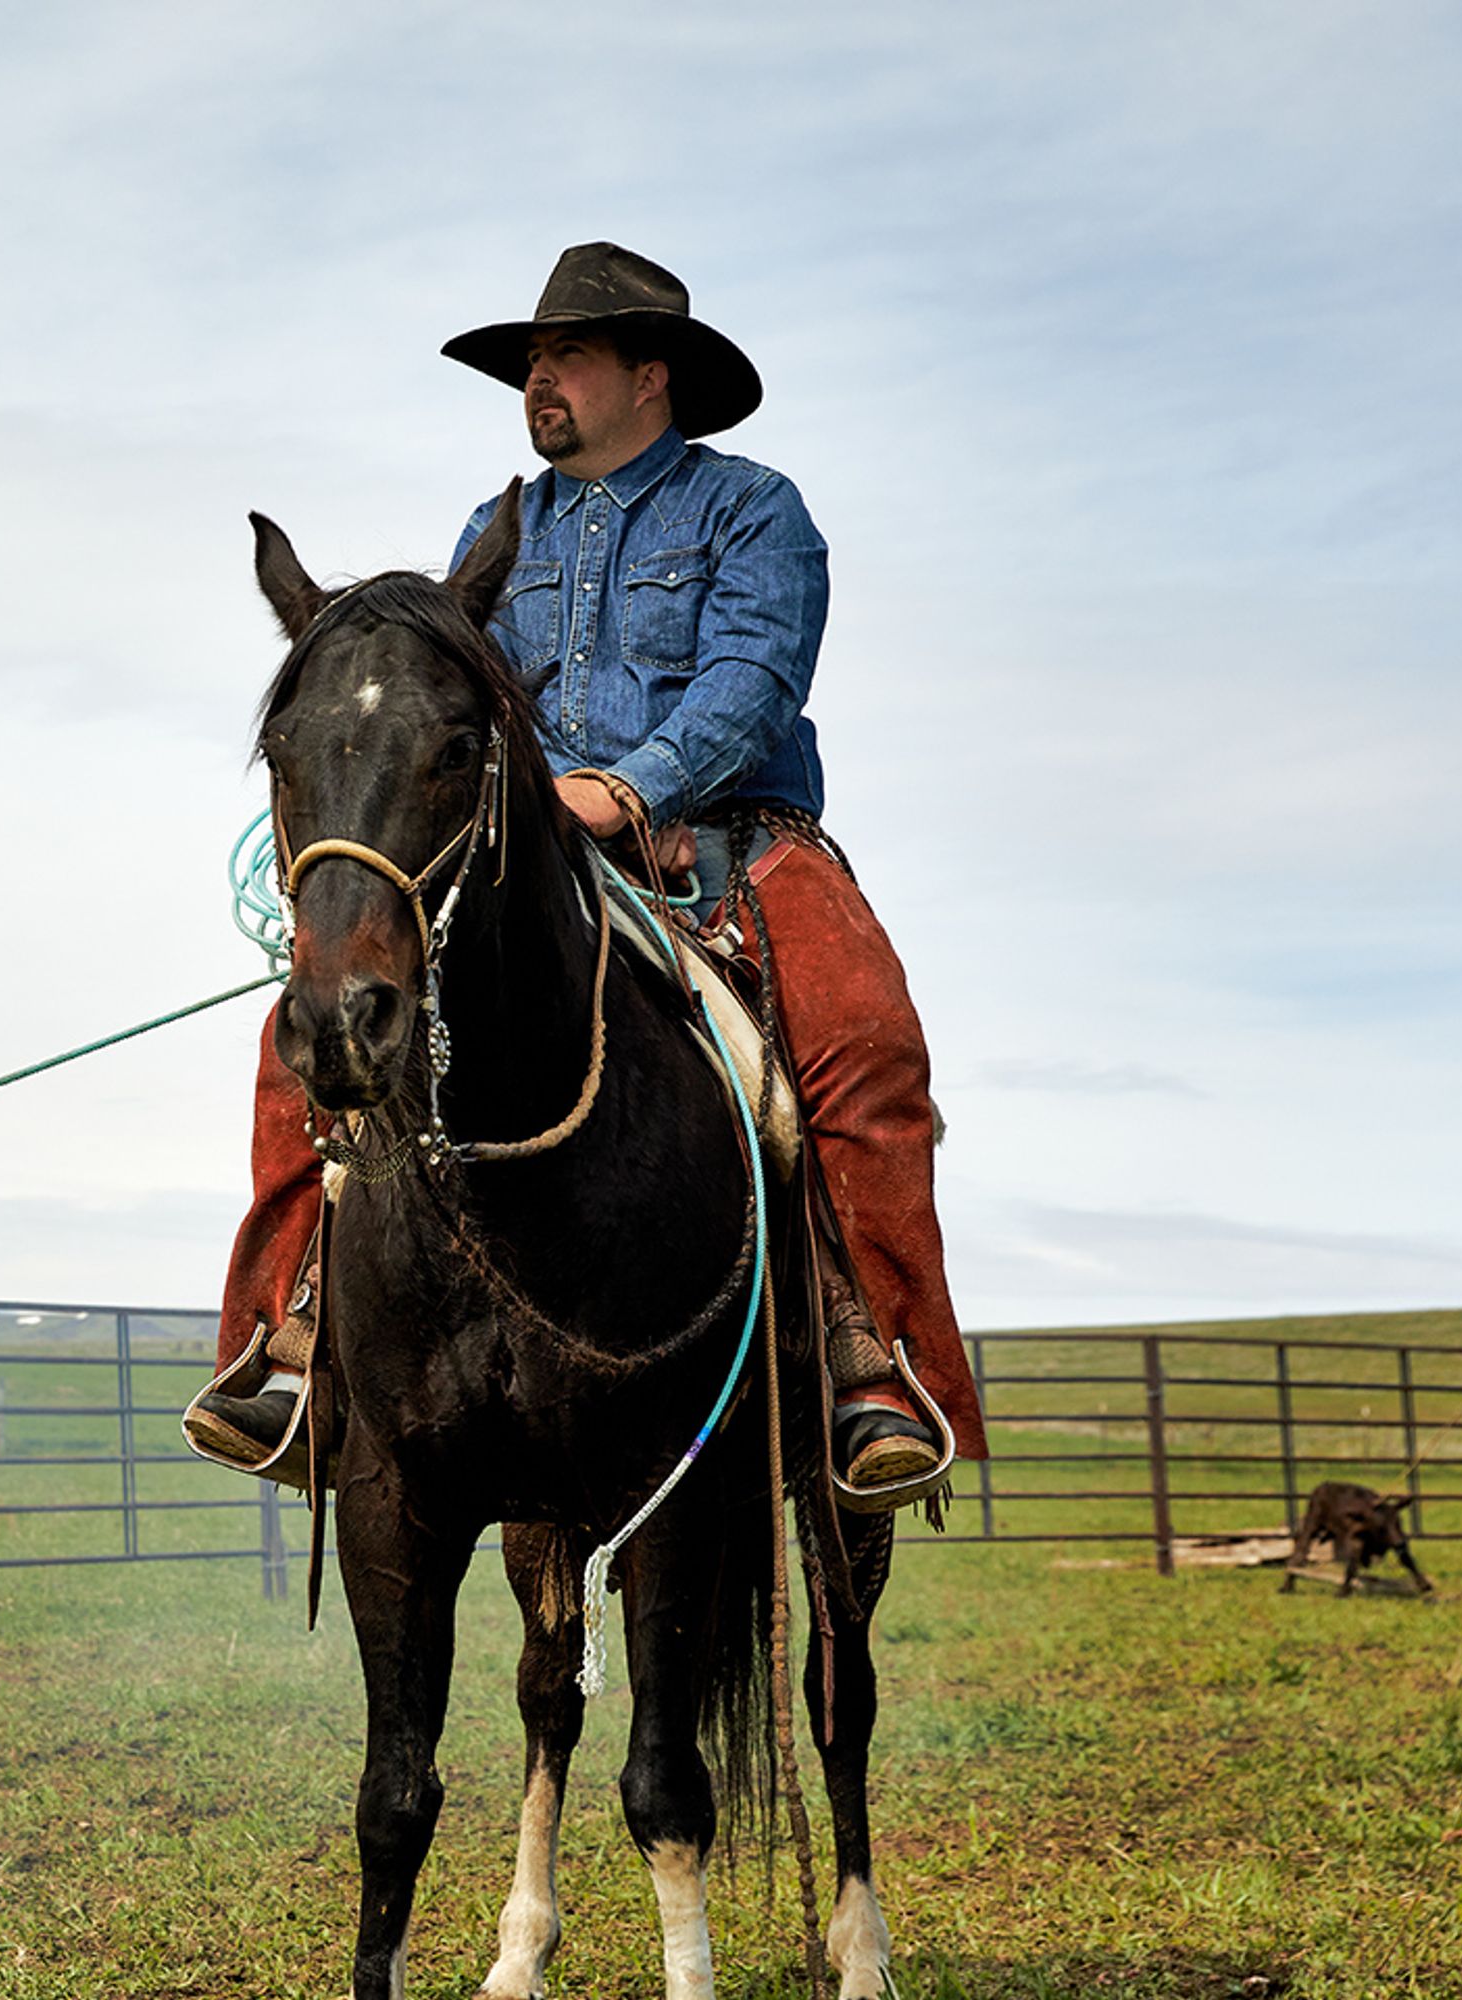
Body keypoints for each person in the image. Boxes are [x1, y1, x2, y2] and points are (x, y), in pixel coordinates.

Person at [191, 243, 984, 1507]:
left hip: (731, 839)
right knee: (314, 1025)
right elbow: (460, 701)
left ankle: (865, 1353)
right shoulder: (498, 529)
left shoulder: (753, 510)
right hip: (527, 852)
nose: (538, 379)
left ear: (649, 375)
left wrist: (628, 788)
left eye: (565, 356)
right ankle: (290, 1340)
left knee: (863, 1038)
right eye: (531, 363)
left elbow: (754, 680)